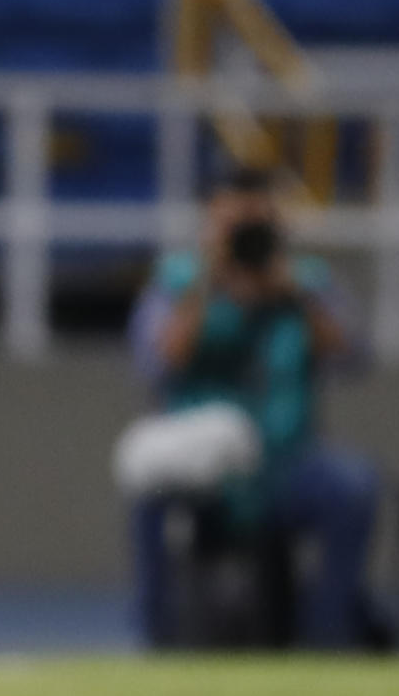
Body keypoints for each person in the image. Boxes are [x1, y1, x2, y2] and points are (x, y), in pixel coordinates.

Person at [127, 165, 382, 648]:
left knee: (354, 486)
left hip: (286, 462)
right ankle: (156, 638)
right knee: (148, 489)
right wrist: (209, 280)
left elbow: (355, 357)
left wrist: (295, 293)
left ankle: (328, 638)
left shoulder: (305, 281)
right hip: (207, 466)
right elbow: (156, 363)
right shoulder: (177, 281)